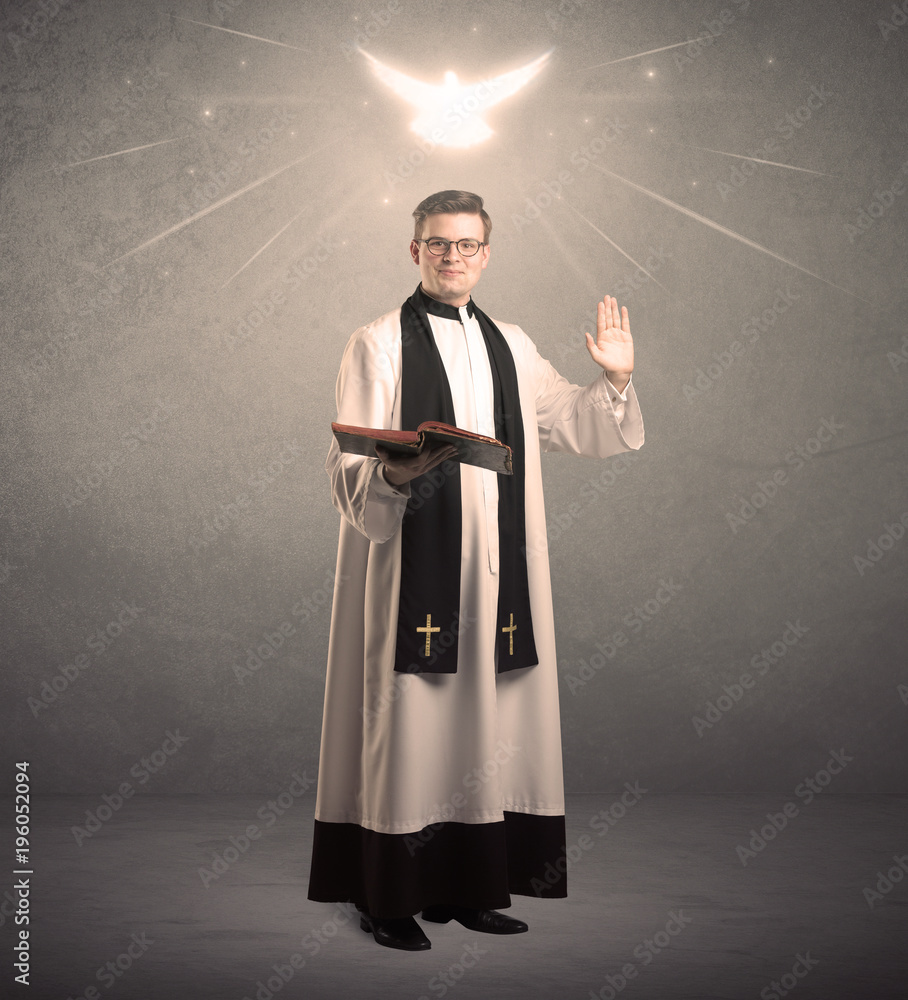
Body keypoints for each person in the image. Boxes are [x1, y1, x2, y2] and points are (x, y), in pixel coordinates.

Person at [307, 190, 644, 951]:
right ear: (415, 250)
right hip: (413, 574)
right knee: (409, 722)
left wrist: (616, 381)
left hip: (498, 578)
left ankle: (467, 889)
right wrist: (398, 475)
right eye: (436, 243)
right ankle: (387, 898)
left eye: (466, 244)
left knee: (486, 731)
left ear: (485, 254)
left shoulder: (514, 345)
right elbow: (346, 463)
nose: (451, 256)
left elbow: (566, 421)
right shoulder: (379, 343)